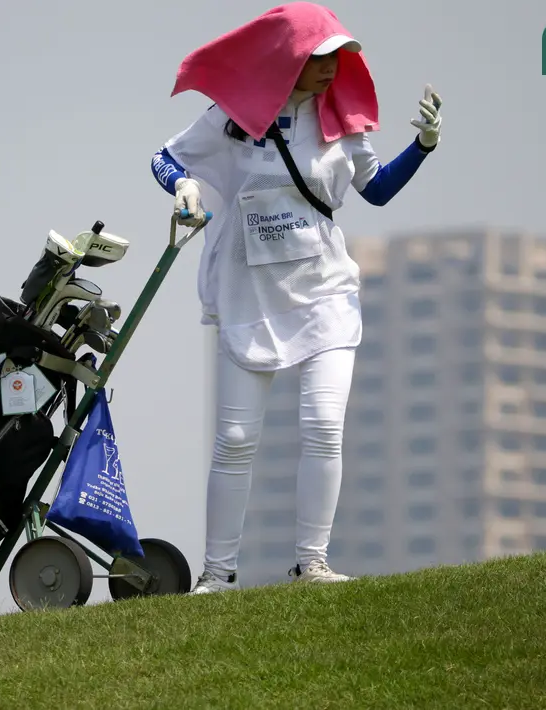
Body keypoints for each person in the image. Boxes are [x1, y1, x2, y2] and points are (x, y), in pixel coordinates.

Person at [148, 1, 442, 593]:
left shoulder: (344, 118)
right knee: (235, 440)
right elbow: (164, 157)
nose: (333, 68)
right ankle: (217, 575)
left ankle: (313, 564)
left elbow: (376, 190)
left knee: (324, 425)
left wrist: (424, 146)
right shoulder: (232, 118)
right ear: (290, 57)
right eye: (321, 57)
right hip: (248, 292)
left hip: (325, 293)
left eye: (340, 57)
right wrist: (182, 187)